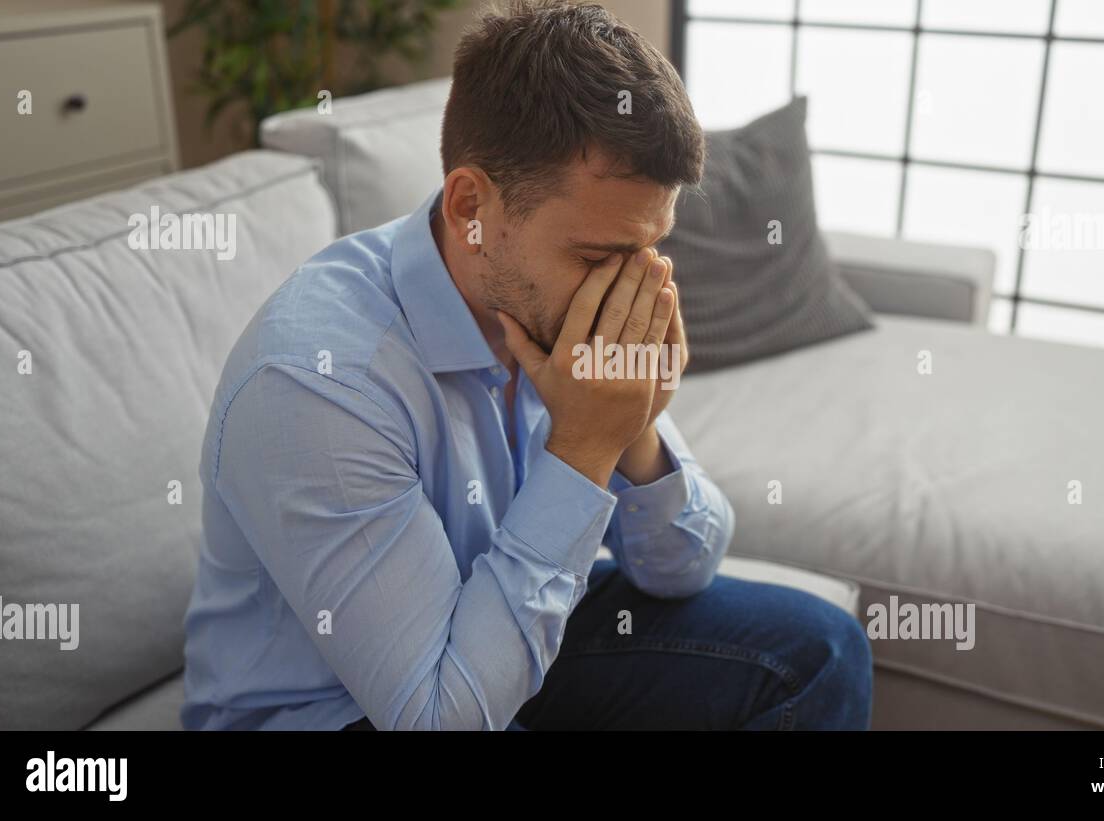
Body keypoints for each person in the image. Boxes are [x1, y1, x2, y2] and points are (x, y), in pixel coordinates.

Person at [180, 0, 871, 731]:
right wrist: (582, 447)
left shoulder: (557, 310)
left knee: (818, 651)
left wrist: (632, 432)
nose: (630, 286)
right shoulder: (317, 382)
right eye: (599, 256)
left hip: (498, 628)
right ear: (471, 206)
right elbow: (439, 716)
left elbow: (682, 567)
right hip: (348, 711)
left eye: (650, 248)